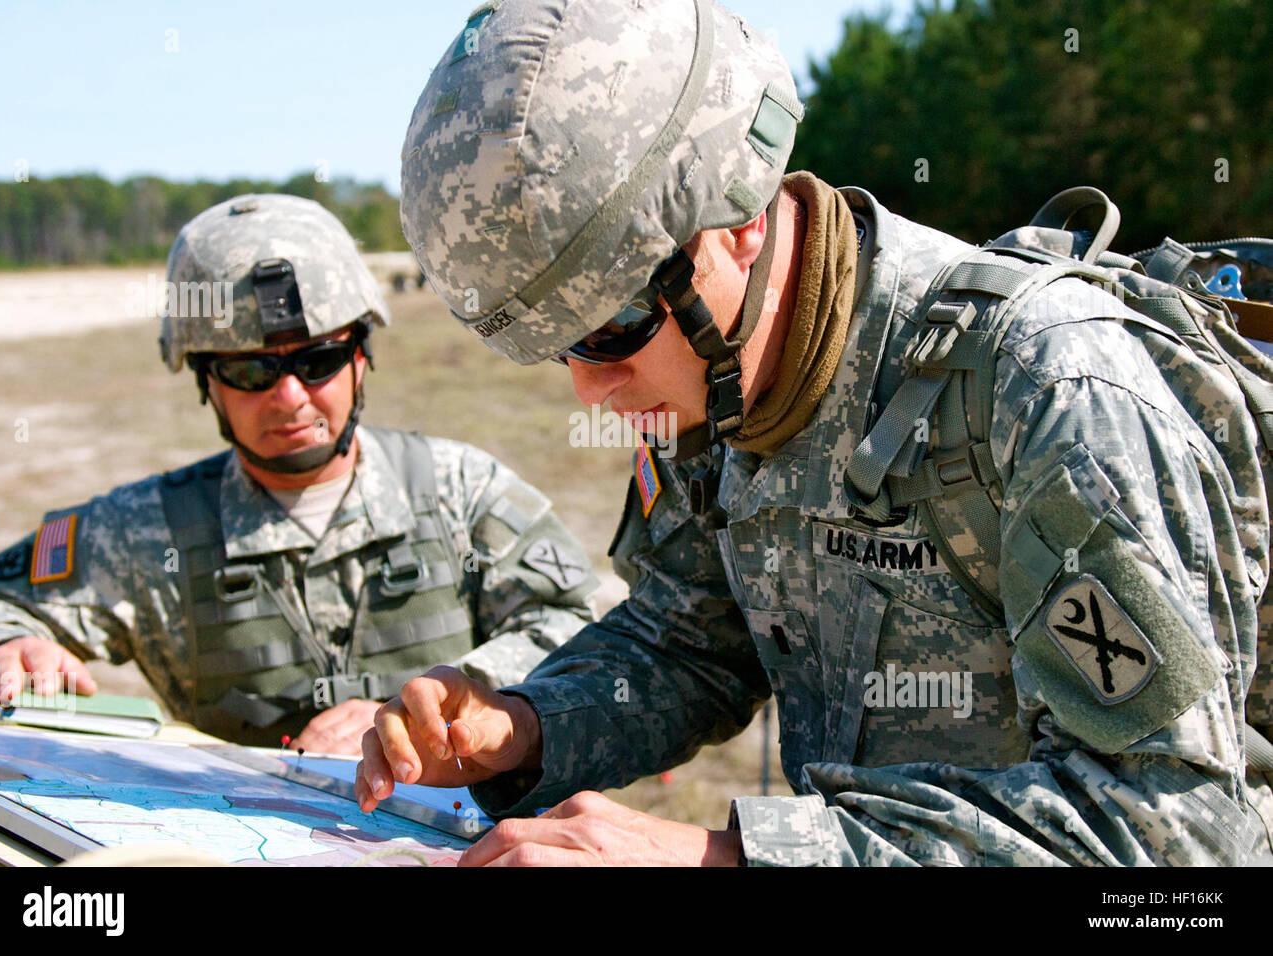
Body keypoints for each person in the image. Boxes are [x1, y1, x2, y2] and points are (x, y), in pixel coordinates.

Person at [355, 0, 1273, 865]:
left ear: (739, 219)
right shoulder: (708, 383)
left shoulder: (1046, 388)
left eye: (611, 326)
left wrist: (727, 856)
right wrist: (523, 724)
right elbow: (690, 642)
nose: (593, 389)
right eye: (558, 348)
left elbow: (1171, 839)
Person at [0, 193, 597, 753]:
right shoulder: (146, 531)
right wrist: (3, 647)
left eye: (319, 359)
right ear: (206, 382)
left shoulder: (463, 491)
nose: (291, 397)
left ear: (361, 357)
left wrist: (447, 701)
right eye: (251, 372)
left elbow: (585, 629)